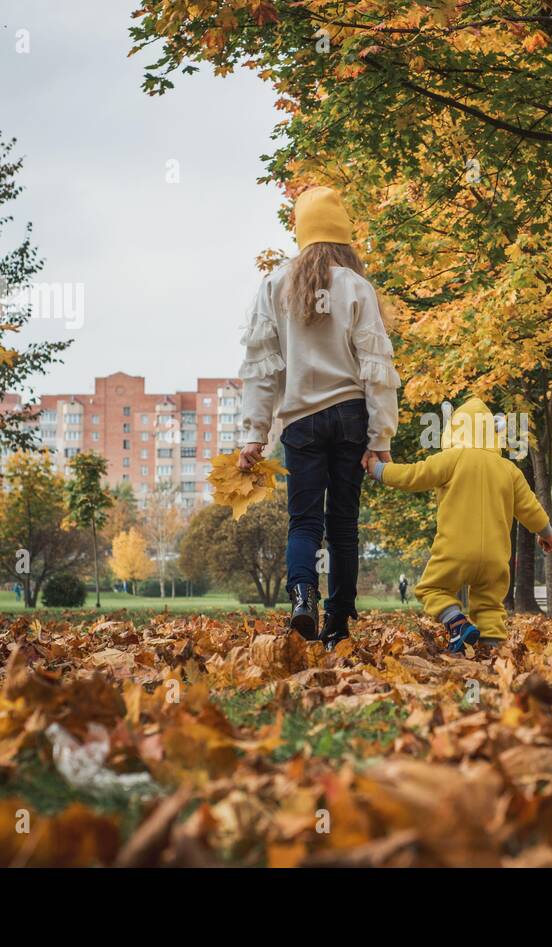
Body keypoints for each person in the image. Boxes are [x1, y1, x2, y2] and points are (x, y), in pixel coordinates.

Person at [237, 186, 400, 646]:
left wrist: (255, 433)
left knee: (304, 522)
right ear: (343, 236)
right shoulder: (355, 286)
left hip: (300, 422)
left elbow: (261, 368)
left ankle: (303, 595)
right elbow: (376, 367)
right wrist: (379, 437)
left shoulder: (274, 285)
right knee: (344, 524)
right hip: (349, 415)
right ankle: (338, 624)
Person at [366, 397, 552, 652]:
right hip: (495, 557)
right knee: (490, 604)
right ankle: (490, 650)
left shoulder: (451, 459)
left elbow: (412, 475)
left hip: (454, 552)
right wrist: (546, 533)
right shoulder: (509, 470)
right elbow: (531, 508)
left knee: (431, 588)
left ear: (455, 428)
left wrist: (379, 469)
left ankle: (456, 623)